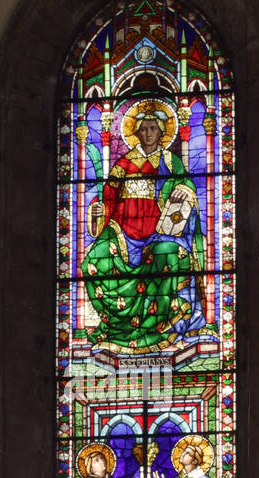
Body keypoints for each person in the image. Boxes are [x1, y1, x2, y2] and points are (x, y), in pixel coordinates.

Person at [83, 102, 209, 354]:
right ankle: (118, 328)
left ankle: (160, 326)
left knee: (170, 254)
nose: (149, 133)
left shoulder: (170, 162)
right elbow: (108, 197)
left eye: (153, 128)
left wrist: (183, 193)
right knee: (92, 261)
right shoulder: (124, 163)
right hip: (121, 230)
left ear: (162, 132)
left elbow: (188, 189)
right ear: (136, 133)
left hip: (158, 231)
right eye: (144, 129)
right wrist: (98, 211)